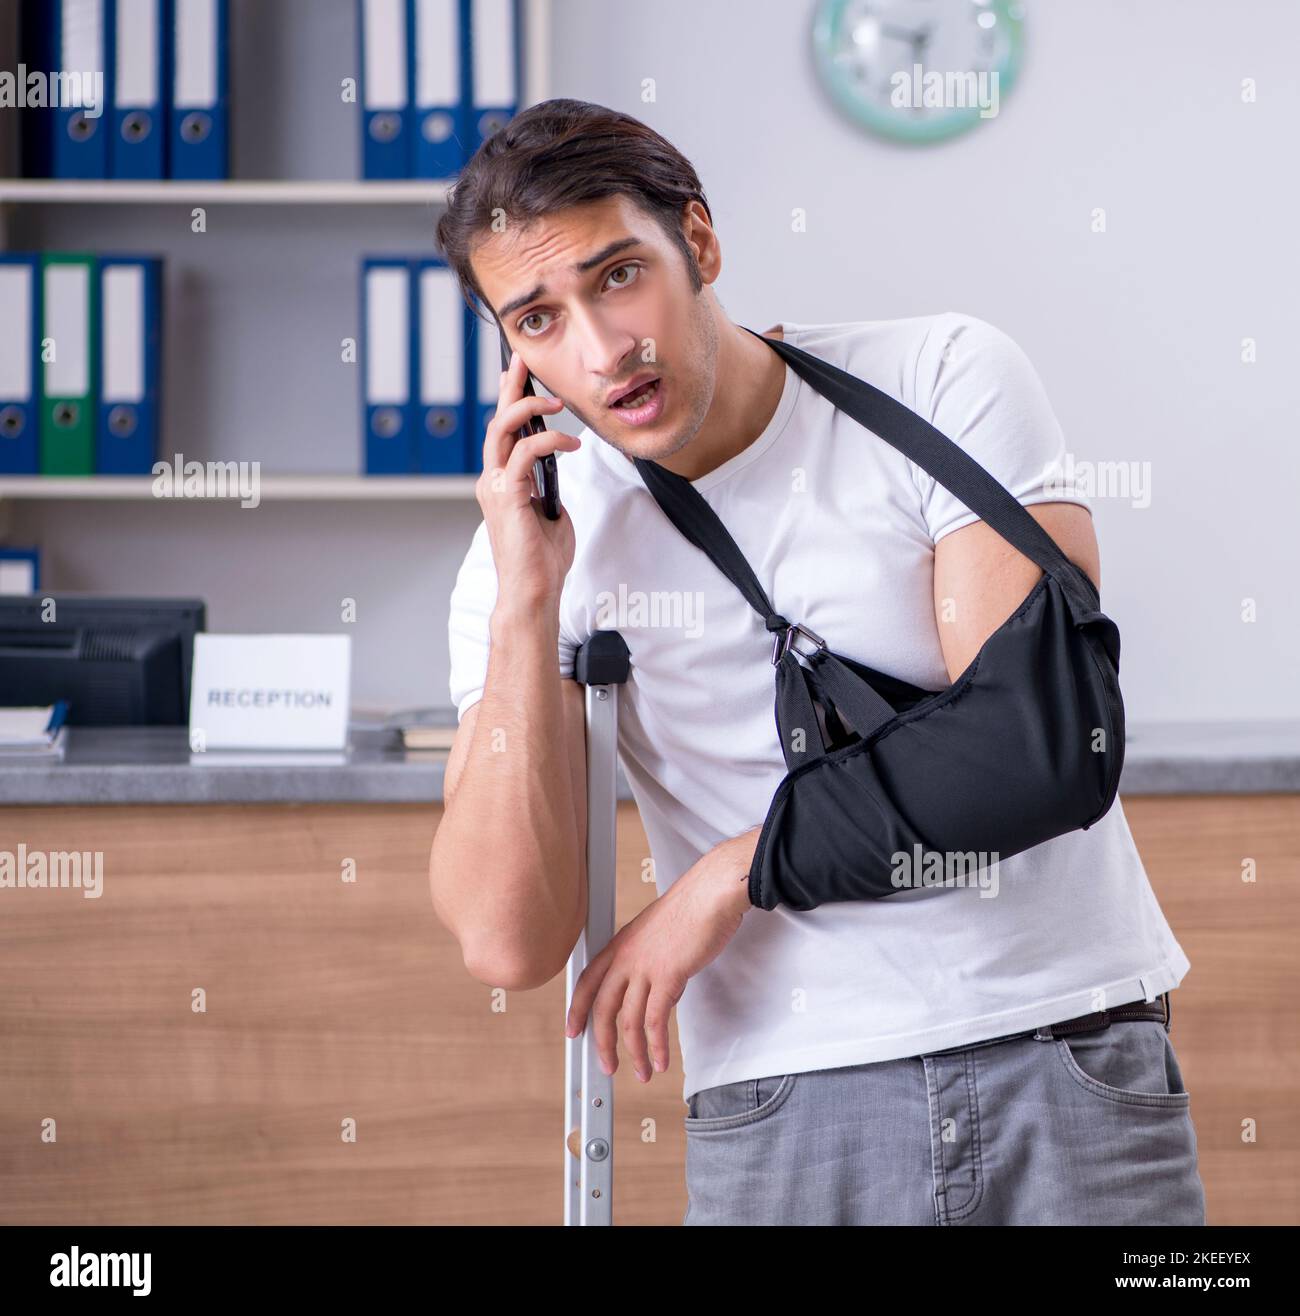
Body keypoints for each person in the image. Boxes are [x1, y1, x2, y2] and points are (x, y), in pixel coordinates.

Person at [427, 98, 1205, 1226]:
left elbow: (1042, 749)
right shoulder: (529, 551)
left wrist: (729, 872)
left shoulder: (941, 378)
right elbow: (508, 936)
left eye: (616, 276)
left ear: (697, 241)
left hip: (1066, 1045)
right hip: (786, 1099)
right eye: (538, 319)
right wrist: (526, 601)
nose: (601, 351)